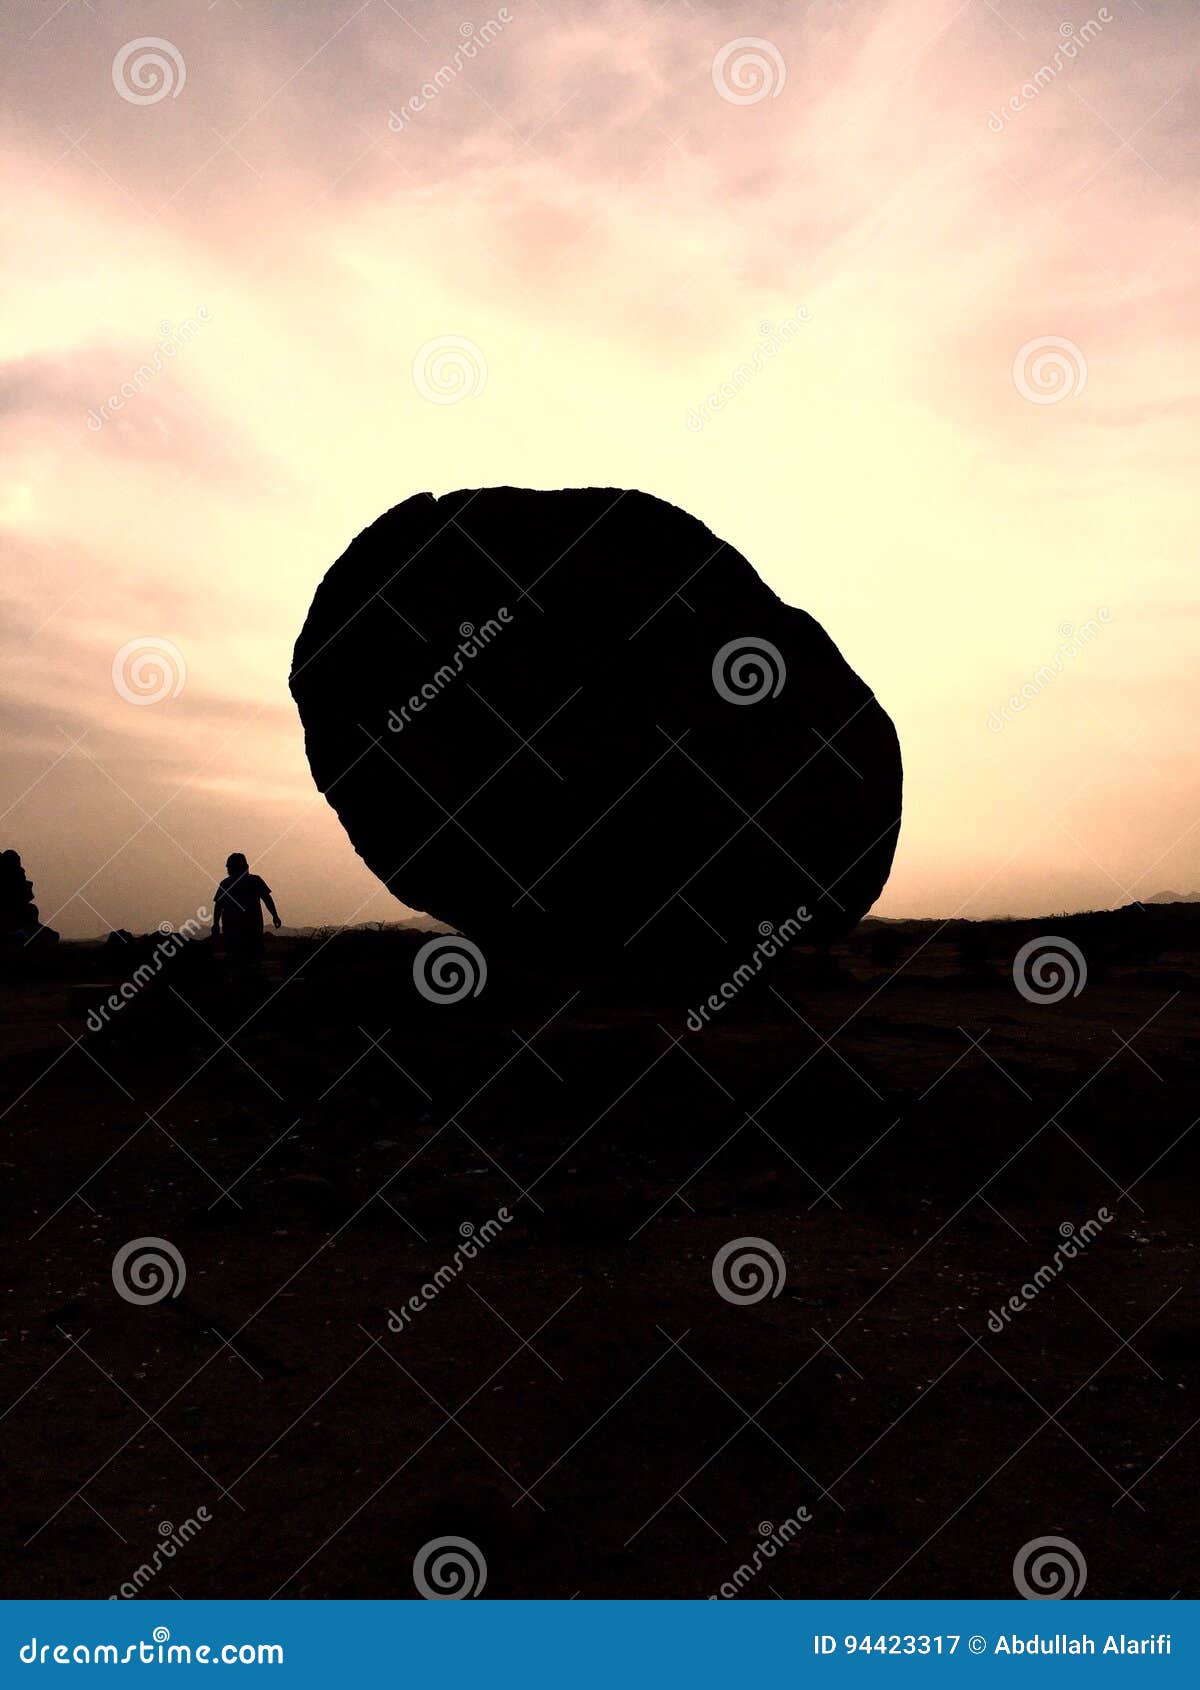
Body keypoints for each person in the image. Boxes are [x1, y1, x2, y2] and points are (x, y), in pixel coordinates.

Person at [211, 853, 280, 971]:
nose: (227, 869)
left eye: (229, 866)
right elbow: (219, 905)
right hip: (243, 927)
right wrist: (275, 915)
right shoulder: (248, 881)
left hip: (244, 927)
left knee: (242, 957)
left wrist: (216, 924)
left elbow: (219, 905)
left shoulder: (229, 883)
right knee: (246, 957)